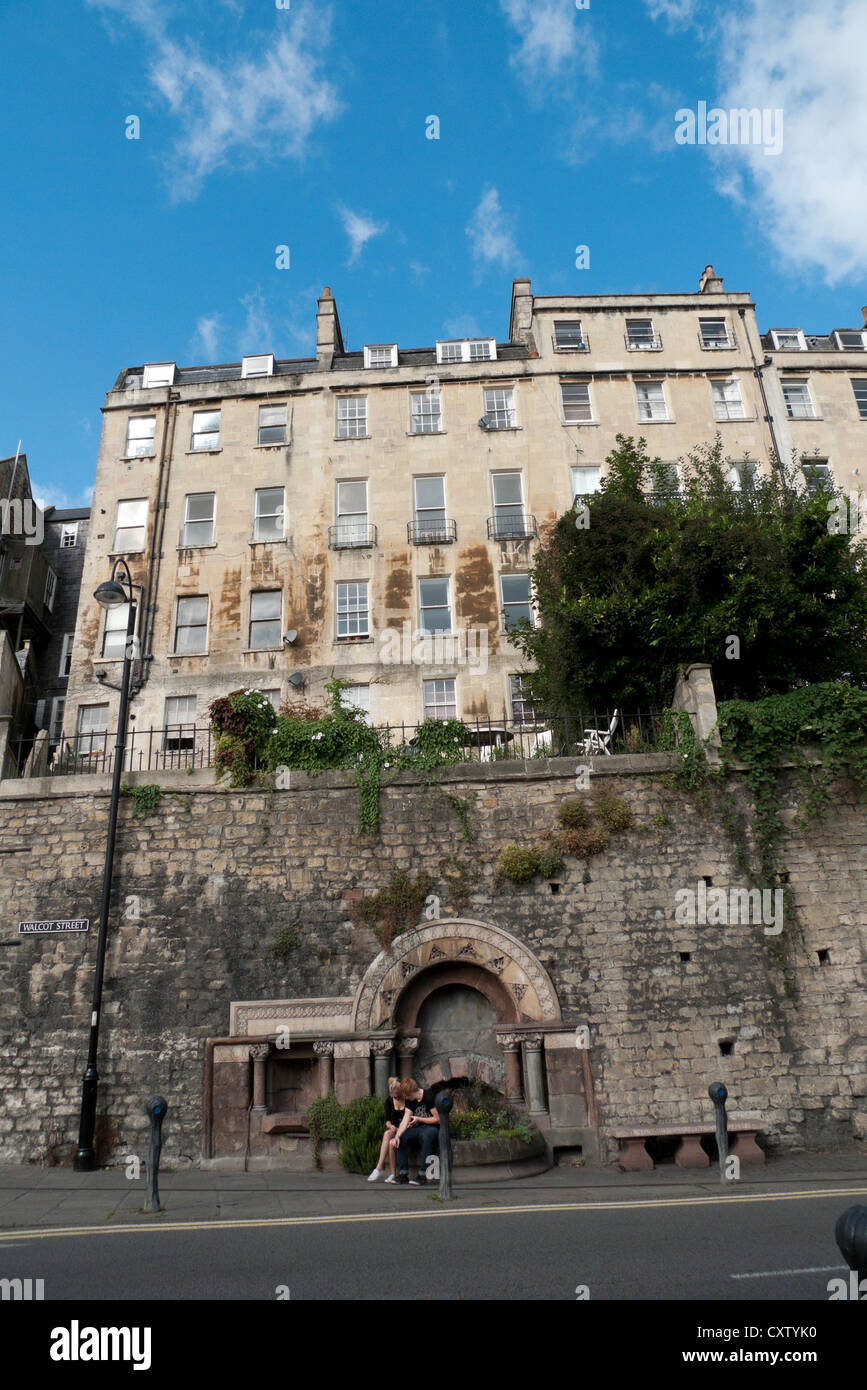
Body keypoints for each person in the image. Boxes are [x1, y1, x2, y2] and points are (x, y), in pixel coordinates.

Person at [390, 1077, 440, 1186]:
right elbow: (405, 1120)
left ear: (411, 1092)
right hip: (419, 1128)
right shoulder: (410, 1101)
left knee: (427, 1136)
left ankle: (423, 1175)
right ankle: (403, 1174)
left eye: (407, 1095)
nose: (406, 1098)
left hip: (433, 1128)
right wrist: (397, 1136)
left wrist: (419, 1119)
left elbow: (437, 1119)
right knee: (402, 1137)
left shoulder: (428, 1097)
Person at [367, 1077, 406, 1183]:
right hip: (394, 1129)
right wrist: (391, 1126)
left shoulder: (407, 1101)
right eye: (394, 1096)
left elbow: (408, 1118)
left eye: (397, 1096)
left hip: (405, 1128)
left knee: (389, 1138)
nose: (396, 1098)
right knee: (388, 1137)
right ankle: (391, 1173)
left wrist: (399, 1128)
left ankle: (380, 1168)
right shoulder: (388, 1101)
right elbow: (387, 1120)